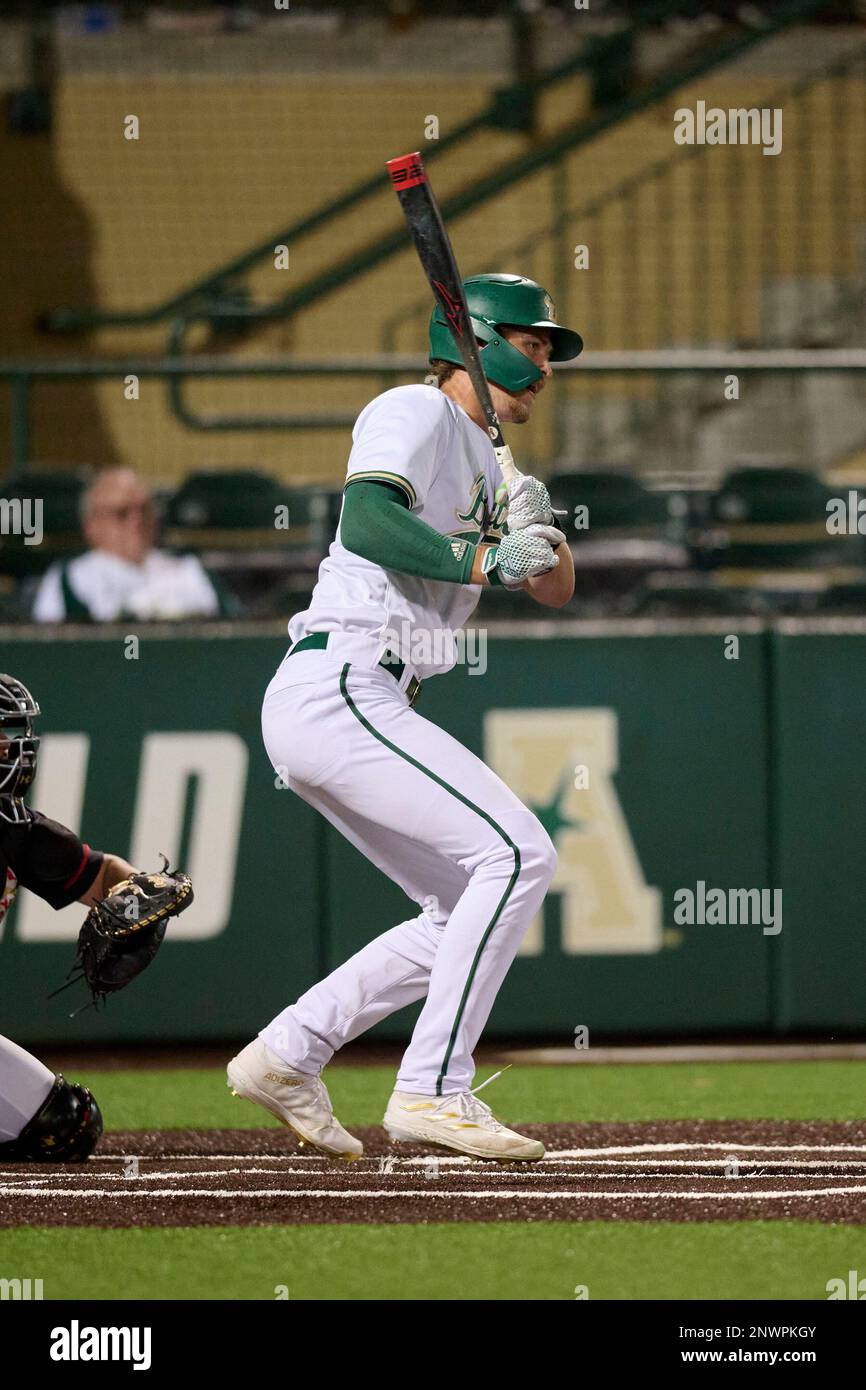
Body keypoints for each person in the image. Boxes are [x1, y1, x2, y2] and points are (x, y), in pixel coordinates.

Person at [228, 273, 582, 1162]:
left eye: (546, 353)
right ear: (474, 338)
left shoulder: (490, 457)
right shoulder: (414, 410)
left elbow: (553, 591)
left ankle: (287, 1053)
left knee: (463, 899)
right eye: (531, 346)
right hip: (343, 680)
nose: (542, 369)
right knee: (518, 853)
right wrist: (483, 557)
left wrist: (541, 535)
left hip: (360, 698)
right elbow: (366, 518)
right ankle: (433, 1089)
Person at [0, 672, 139, 1161]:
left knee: (67, 1123)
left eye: (12, 736)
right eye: (1, 735)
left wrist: (136, 896)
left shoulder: (12, 829)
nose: (11, 748)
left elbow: (103, 876)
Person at [32, 467, 224, 622]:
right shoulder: (69, 578)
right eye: (122, 513)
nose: (136, 522)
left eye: (144, 510)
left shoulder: (190, 569)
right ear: (91, 525)